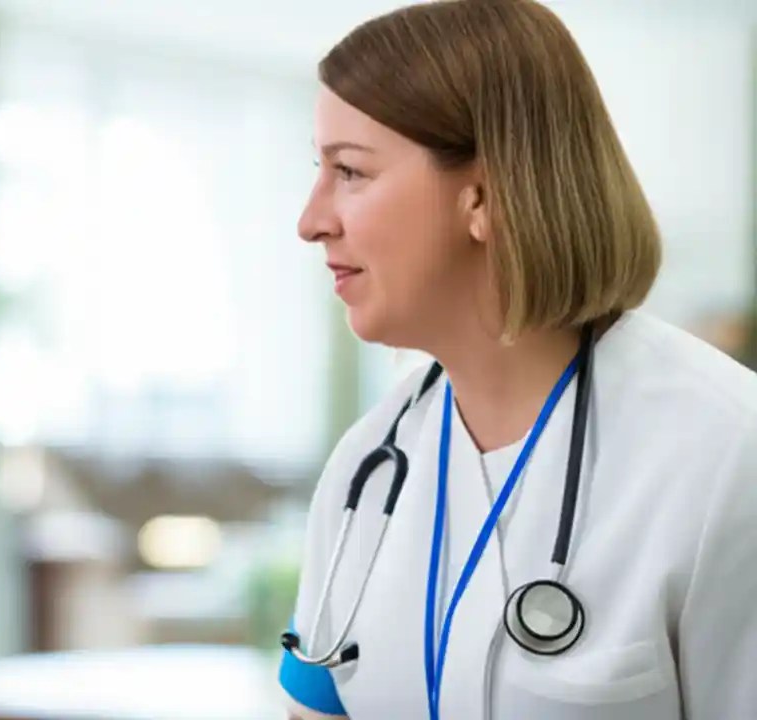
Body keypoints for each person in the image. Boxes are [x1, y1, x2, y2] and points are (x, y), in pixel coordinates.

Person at [277, 1, 757, 718]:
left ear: (484, 195)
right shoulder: (367, 467)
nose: (311, 220)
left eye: (349, 171)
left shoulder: (726, 453)